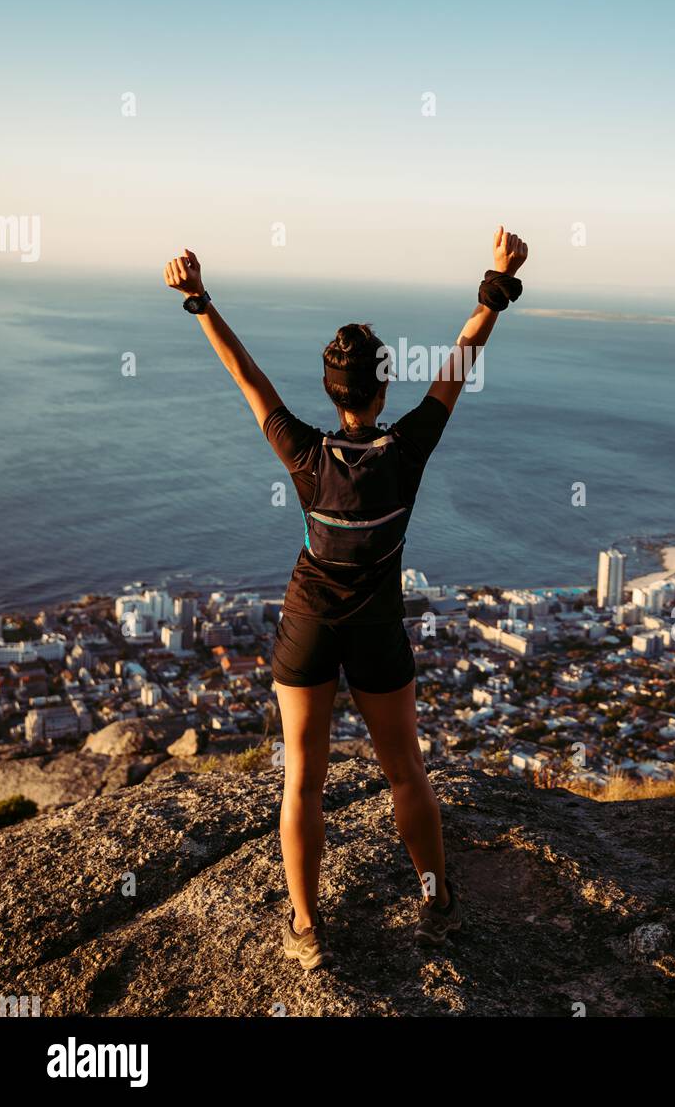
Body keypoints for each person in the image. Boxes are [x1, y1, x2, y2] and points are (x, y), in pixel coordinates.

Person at [163, 226, 528, 970]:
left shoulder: (303, 451)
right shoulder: (407, 450)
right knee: (405, 771)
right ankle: (435, 900)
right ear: (381, 389)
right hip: (376, 629)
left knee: (303, 777)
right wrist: (496, 282)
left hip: (306, 624)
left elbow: (246, 377)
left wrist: (199, 300)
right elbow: (458, 366)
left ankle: (306, 925)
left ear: (332, 392)